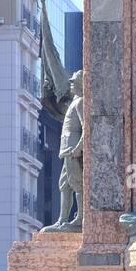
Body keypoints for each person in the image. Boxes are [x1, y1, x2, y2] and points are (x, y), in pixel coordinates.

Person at [44, 71, 85, 231]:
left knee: (76, 183)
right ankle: (62, 220)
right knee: (64, 184)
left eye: (74, 82)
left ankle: (81, 219)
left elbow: (86, 127)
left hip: (72, 149)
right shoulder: (75, 101)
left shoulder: (81, 102)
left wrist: (78, 148)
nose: (71, 85)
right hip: (67, 148)